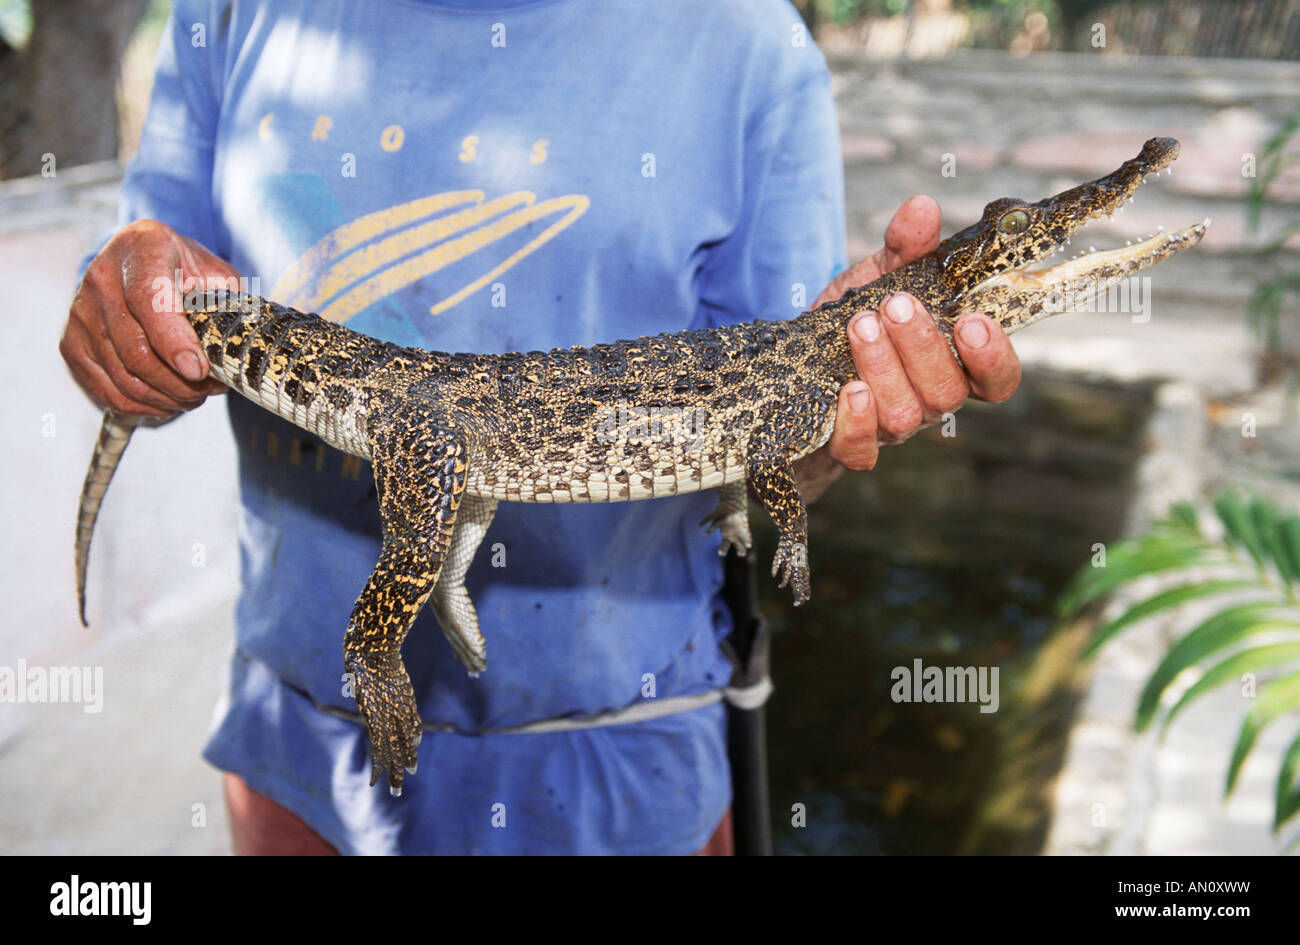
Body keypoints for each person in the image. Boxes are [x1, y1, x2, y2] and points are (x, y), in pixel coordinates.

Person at [60, 0, 1020, 855]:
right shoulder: (225, 11)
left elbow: (778, 459)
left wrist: (845, 380)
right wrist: (125, 307)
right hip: (300, 756)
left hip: (628, 765)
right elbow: (154, 288)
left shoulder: (749, 41)